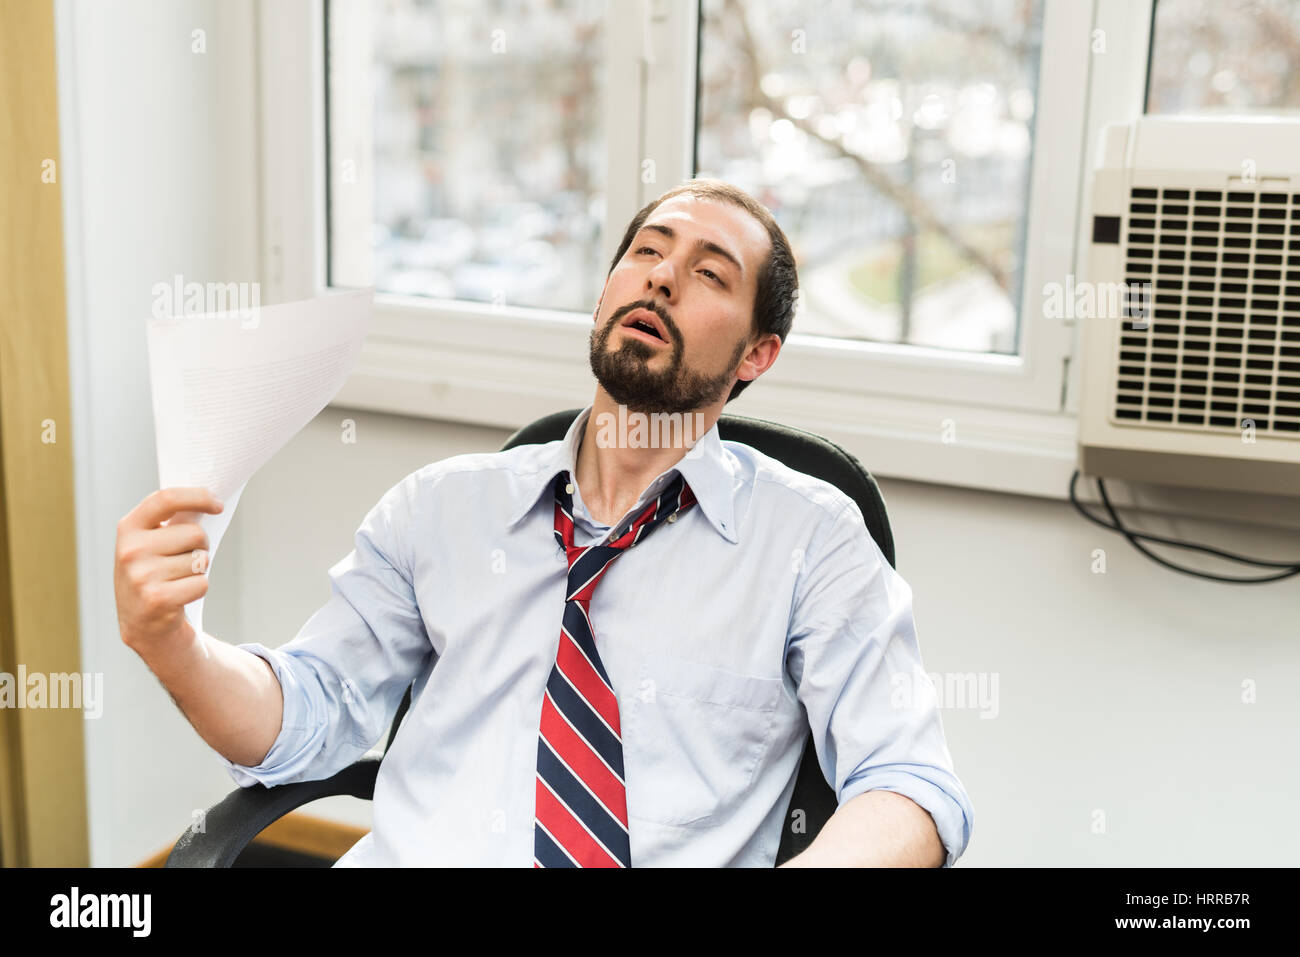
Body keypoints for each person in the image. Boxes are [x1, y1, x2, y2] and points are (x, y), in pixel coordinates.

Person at [115, 178, 974, 867]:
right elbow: (307, 715)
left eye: (710, 273)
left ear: (757, 354)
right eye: (645, 252)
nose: (662, 277)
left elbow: (908, 784)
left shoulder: (810, 540)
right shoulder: (440, 507)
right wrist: (173, 644)